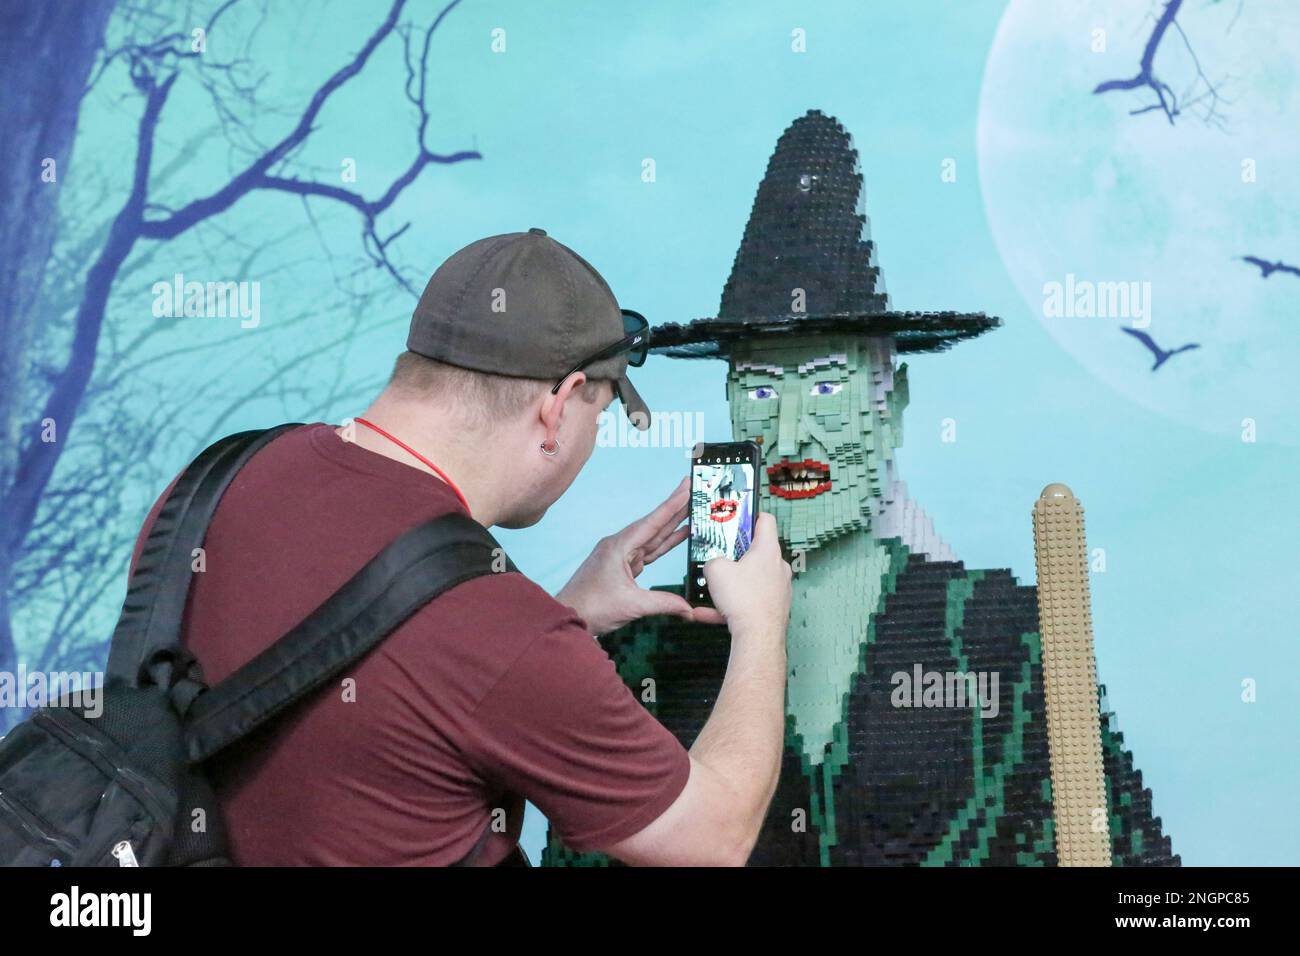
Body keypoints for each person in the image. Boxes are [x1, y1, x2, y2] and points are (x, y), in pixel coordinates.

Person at [131, 228, 792, 866]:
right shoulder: (501, 634)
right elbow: (712, 837)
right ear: (558, 407)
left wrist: (568, 615)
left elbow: (383, 708)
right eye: (599, 415)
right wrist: (762, 624)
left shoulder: (212, 484)